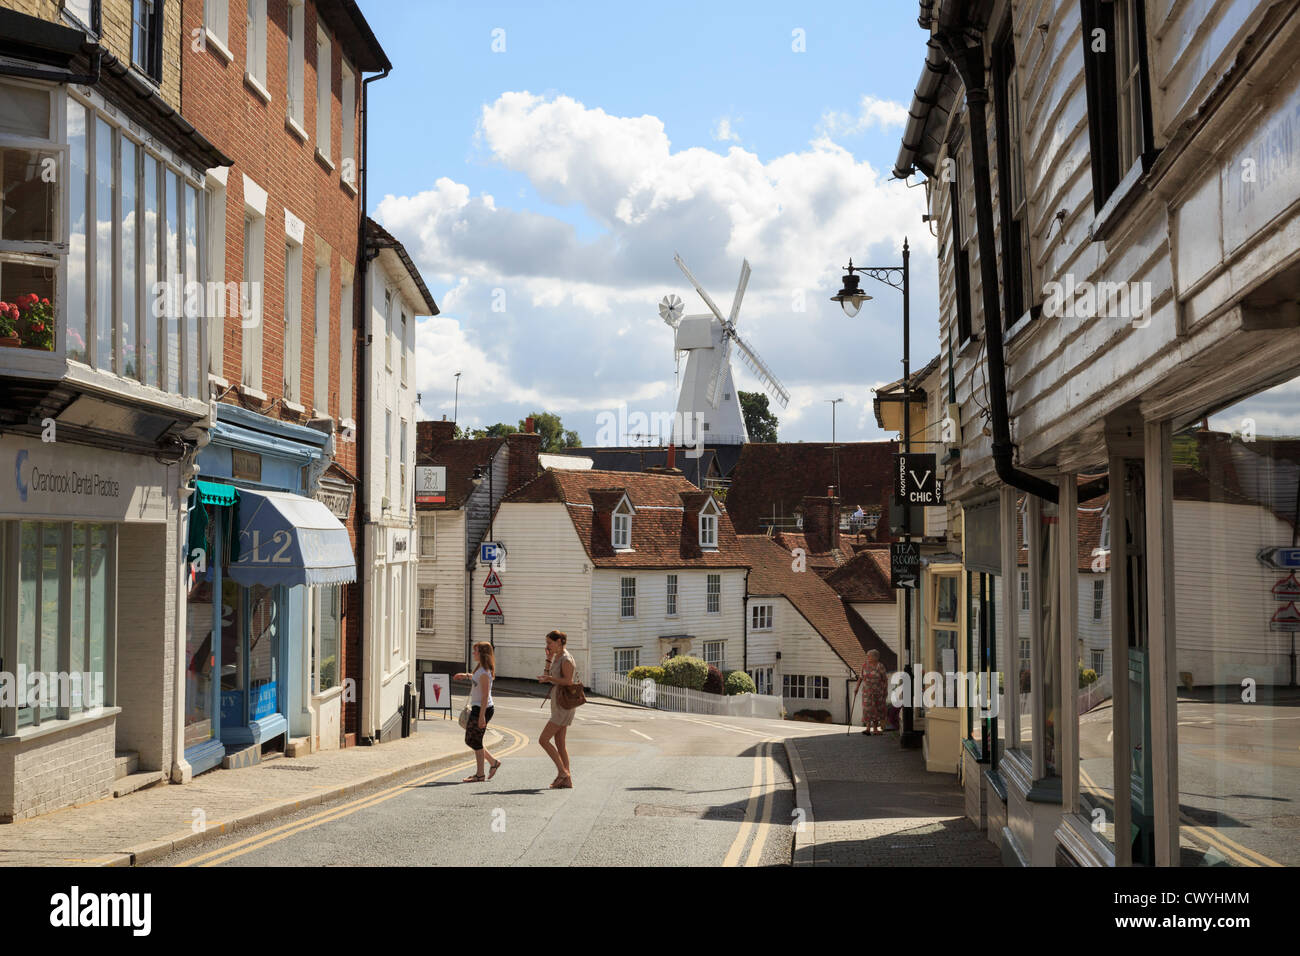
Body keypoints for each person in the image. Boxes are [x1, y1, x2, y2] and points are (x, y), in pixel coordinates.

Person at [453, 642, 501, 782]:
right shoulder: (480, 668)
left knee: (474, 741)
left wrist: (481, 718)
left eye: (475, 651)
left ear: (482, 654)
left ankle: (480, 774)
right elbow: (476, 678)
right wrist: (466, 675)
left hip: (483, 709)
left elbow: (485, 695)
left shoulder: (485, 672)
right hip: (478, 708)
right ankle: (493, 763)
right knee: (473, 740)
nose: (473, 653)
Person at [538, 629, 578, 788]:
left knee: (543, 740)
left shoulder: (566, 659)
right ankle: (567, 780)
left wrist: (550, 678)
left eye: (549, 642)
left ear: (559, 641)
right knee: (560, 742)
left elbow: (568, 681)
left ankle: (562, 772)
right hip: (558, 701)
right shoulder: (557, 657)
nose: (547, 645)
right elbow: (548, 676)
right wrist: (548, 660)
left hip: (564, 704)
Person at [856, 649, 889, 735]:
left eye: (869, 656)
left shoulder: (880, 666)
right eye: (867, 656)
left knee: (876, 710)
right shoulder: (864, 665)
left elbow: (885, 679)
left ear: (875, 657)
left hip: (878, 692)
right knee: (867, 709)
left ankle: (875, 729)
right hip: (867, 692)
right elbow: (860, 677)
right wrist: (856, 688)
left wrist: (885, 690)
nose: (867, 657)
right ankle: (867, 728)